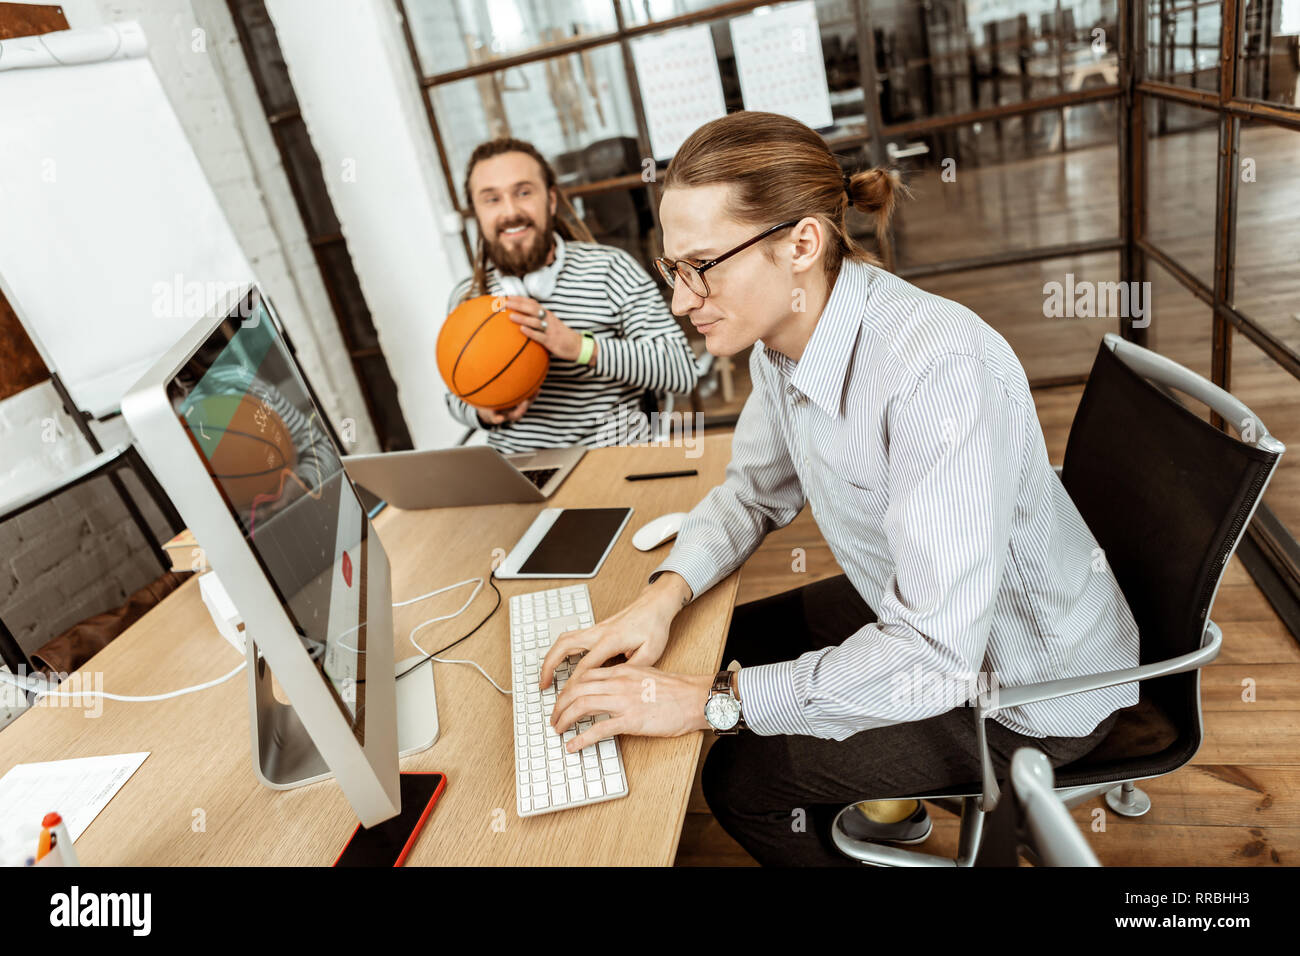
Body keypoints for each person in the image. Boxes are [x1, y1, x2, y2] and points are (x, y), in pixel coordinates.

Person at [538, 111, 1140, 866]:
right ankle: (874, 819)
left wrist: (711, 701)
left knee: (740, 777)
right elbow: (752, 494)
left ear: (801, 244)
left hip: (1027, 685)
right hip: (929, 611)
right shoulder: (782, 341)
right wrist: (657, 601)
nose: (682, 301)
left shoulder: (933, 370)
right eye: (672, 269)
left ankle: (849, 819)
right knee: (716, 640)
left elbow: (933, 657)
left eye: (702, 267)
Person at [443, 137, 698, 450]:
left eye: (523, 192)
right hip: (521, 474)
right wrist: (484, 413)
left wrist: (579, 347)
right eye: (491, 199)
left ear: (550, 200)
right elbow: (455, 396)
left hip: (610, 461)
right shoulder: (468, 297)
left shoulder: (611, 270)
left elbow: (682, 371)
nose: (510, 211)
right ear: (477, 213)